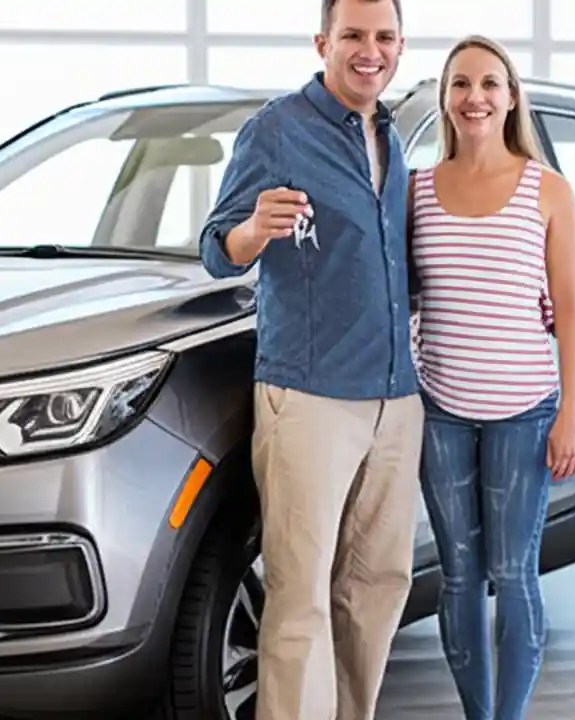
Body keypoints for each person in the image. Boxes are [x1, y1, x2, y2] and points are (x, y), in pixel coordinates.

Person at [199, 0, 421, 717]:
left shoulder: (395, 134)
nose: (370, 51)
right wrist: (253, 232)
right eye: (354, 36)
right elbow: (216, 250)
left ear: (399, 45)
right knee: (301, 595)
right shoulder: (277, 130)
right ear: (323, 41)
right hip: (312, 398)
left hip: (396, 396)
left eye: (384, 37)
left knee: (379, 582)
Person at [406, 34, 575, 720]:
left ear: (511, 97)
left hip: (525, 412)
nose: (474, 97)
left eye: (489, 84)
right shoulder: (417, 190)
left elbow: (570, 309)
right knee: (458, 577)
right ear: (444, 97)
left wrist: (571, 413)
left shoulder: (549, 191)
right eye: (460, 84)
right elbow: (403, 297)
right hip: (442, 411)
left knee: (512, 573)